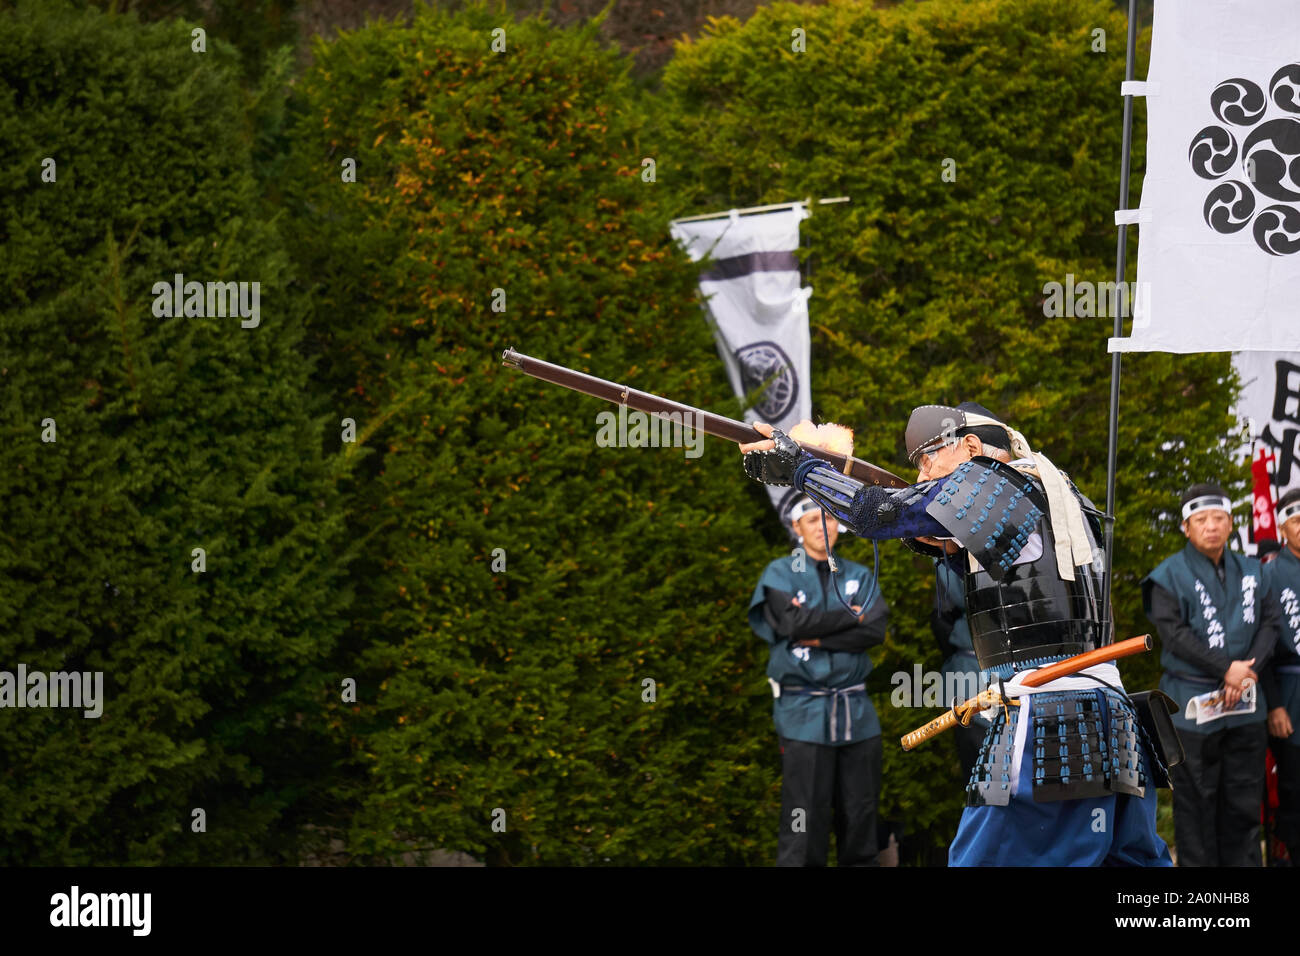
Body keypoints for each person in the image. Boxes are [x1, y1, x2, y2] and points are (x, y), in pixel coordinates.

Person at [740, 402, 1172, 866]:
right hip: (1111, 712)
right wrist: (835, 478)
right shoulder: (1054, 489)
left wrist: (802, 469)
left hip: (1050, 714)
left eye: (926, 458)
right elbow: (922, 527)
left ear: (969, 447)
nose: (924, 475)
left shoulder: (992, 480)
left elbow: (877, 513)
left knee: (980, 860)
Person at [1142, 482, 1280, 866]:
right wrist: (1226, 670)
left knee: (1244, 801)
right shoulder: (1167, 576)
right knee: (1196, 803)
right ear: (1186, 528)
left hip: (1247, 703)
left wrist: (1248, 670)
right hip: (1193, 703)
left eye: (1218, 518)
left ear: (1231, 523)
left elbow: (1271, 623)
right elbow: (1175, 636)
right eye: (1200, 519)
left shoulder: (1255, 571)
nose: (1211, 526)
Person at [748, 495, 889, 866]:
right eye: (812, 520)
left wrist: (818, 635)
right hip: (803, 712)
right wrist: (851, 616)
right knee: (803, 818)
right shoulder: (779, 573)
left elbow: (873, 631)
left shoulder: (858, 574)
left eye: (828, 518)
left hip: (857, 714)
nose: (822, 526)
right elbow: (792, 624)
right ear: (797, 528)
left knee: (861, 814)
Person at [1261, 488, 1300, 864]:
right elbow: (1263, 649)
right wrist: (1274, 704)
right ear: (1283, 528)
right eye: (1296, 520)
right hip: (1291, 693)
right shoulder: (1269, 575)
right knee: (1293, 788)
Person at [931, 559, 989, 781]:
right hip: (970, 676)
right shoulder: (948, 558)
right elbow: (942, 618)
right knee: (980, 780)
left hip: (1028, 677)